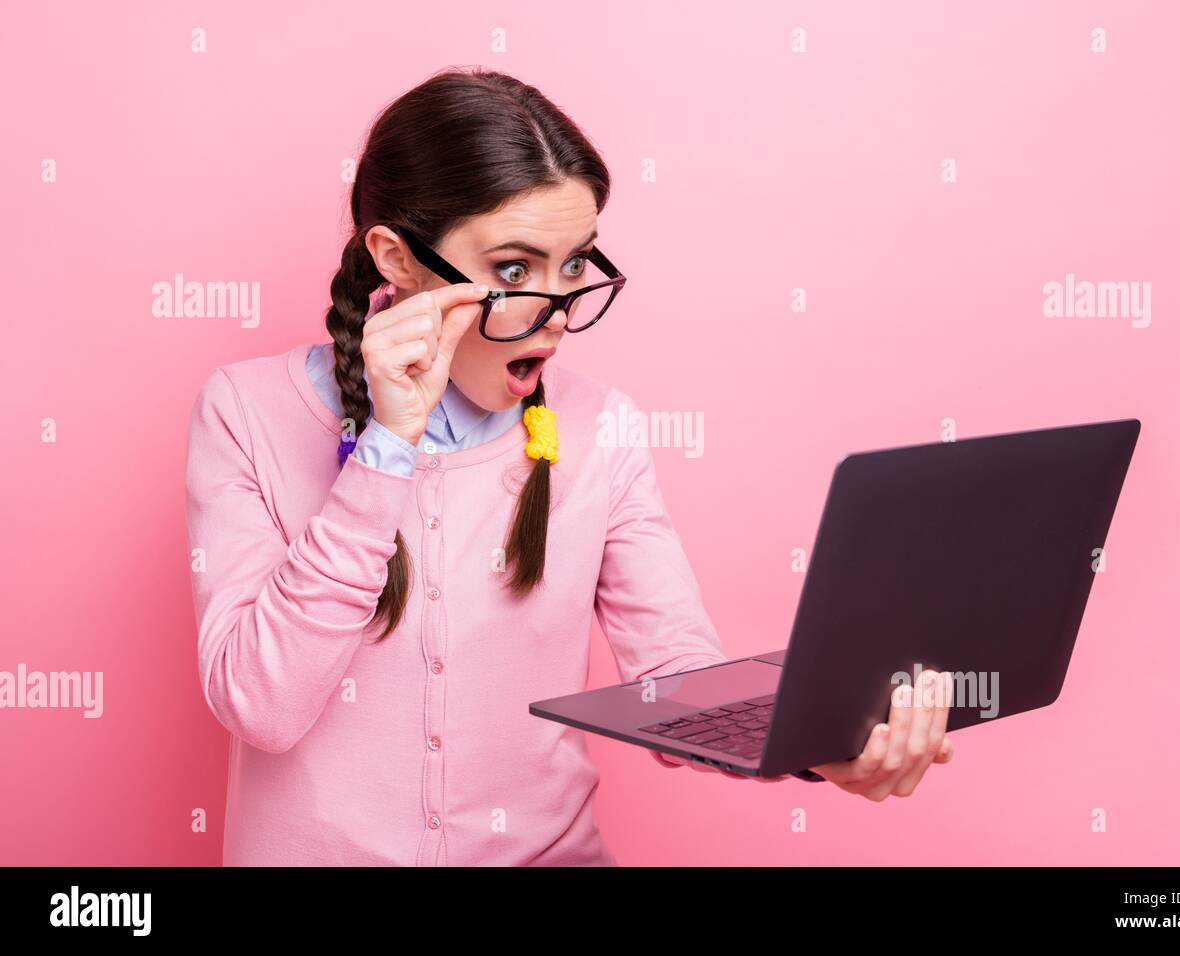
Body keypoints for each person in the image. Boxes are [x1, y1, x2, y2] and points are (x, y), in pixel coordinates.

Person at [183, 67, 953, 867]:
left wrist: (820, 743)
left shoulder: (600, 428)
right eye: (514, 272)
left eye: (576, 265)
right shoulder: (243, 411)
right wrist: (387, 450)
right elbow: (260, 703)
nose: (556, 319)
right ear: (397, 259)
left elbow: (674, 678)